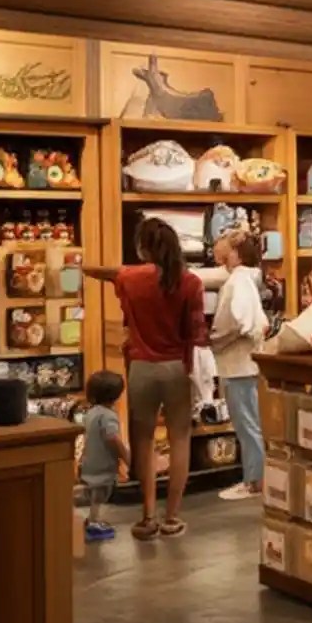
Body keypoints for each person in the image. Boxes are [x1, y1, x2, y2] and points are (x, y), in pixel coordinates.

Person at [85, 218, 206, 540]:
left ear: (142, 247)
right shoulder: (190, 282)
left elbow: (107, 272)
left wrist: (81, 267)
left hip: (141, 367)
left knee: (143, 440)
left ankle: (148, 517)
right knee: (180, 439)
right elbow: (196, 333)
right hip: (177, 367)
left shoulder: (131, 277)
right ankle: (172, 517)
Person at [200, 229, 270, 501]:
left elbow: (240, 322)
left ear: (235, 253)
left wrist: (215, 339)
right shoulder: (243, 279)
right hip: (242, 362)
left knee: (247, 424)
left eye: (223, 244)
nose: (217, 247)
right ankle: (255, 478)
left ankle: (255, 481)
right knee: (249, 423)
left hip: (238, 364)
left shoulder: (237, 282)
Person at [81, 370, 130, 542]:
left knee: (94, 493)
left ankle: (92, 519)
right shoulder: (109, 416)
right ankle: (94, 522)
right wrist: (126, 457)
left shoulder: (91, 413)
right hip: (103, 463)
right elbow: (112, 438)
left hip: (89, 460)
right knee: (100, 494)